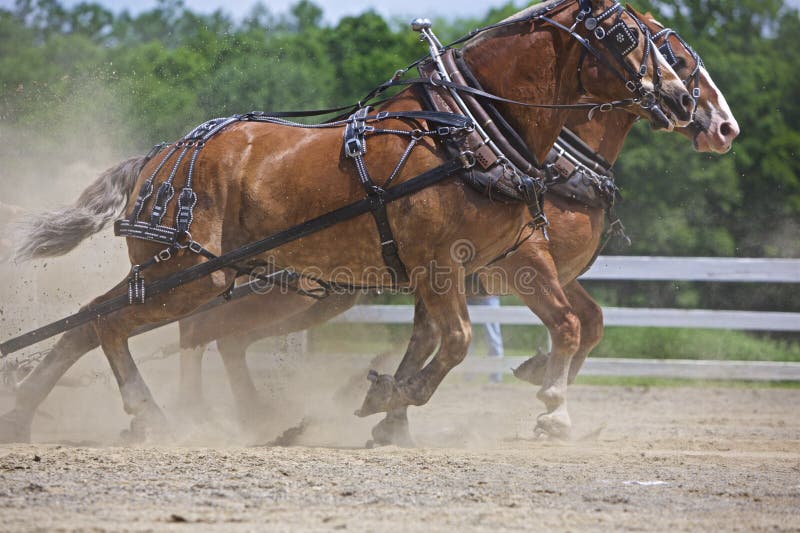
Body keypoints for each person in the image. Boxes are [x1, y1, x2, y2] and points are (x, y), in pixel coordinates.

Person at [466, 274, 504, 383]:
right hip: (468, 297)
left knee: (493, 340)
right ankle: (468, 376)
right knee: (466, 339)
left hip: (489, 297)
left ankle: (495, 377)